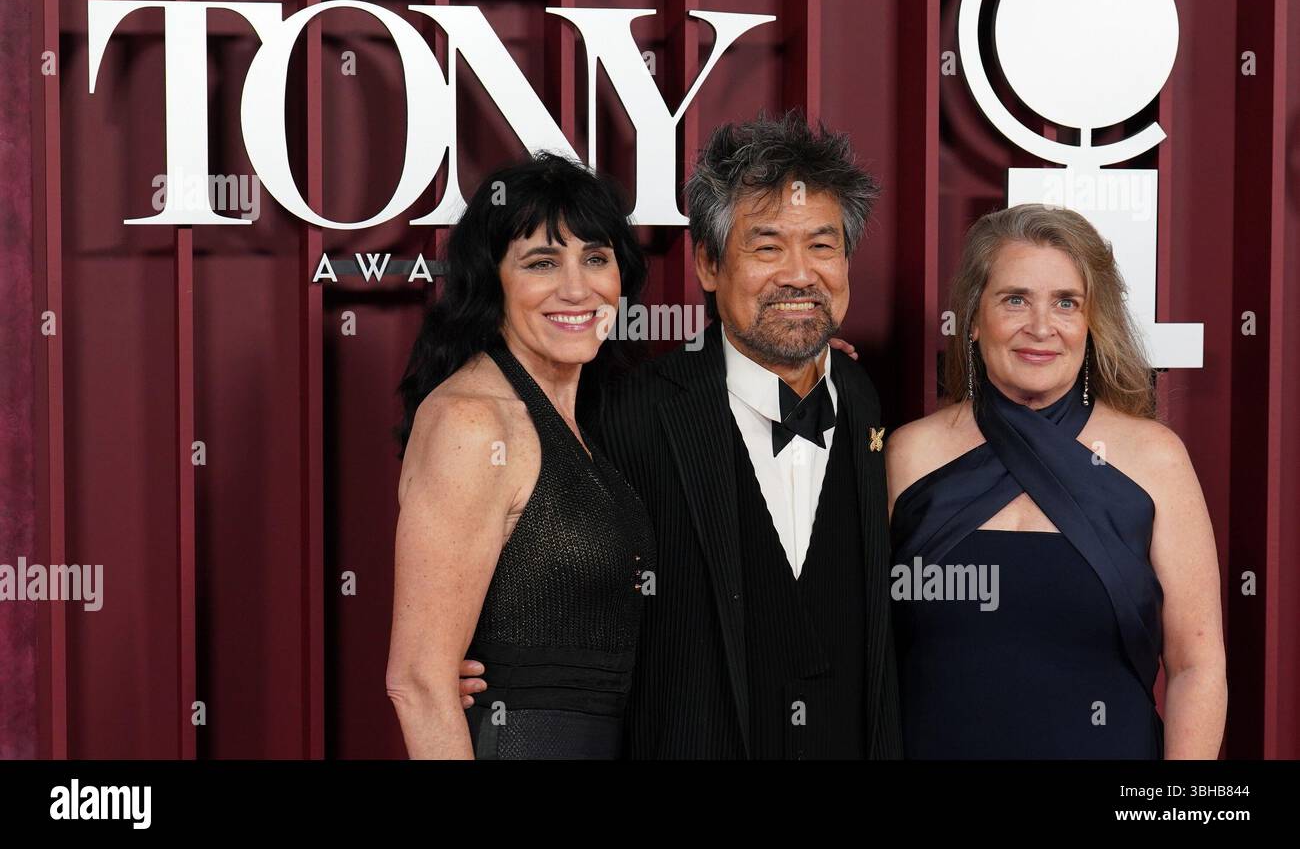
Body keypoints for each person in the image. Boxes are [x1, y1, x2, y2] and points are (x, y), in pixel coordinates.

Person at [461, 111, 904, 758]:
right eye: (768, 246)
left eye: (822, 244)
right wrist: (479, 660)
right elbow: (526, 539)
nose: (799, 274)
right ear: (708, 264)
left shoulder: (865, 401)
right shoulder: (623, 413)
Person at [886, 204, 1227, 759]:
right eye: (1015, 299)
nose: (1041, 327)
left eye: (1066, 303)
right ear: (973, 318)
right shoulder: (909, 453)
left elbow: (1197, 666)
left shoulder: (1155, 459)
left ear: (1091, 323)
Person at [385, 151, 655, 759]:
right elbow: (419, 683)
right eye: (541, 262)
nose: (576, 287)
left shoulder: (579, 418)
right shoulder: (473, 421)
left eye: (595, 258)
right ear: (492, 281)